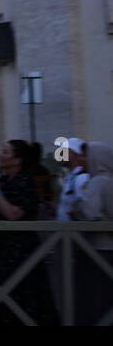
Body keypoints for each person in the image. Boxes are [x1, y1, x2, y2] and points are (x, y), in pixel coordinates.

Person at [0, 140, 58, 325]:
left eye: (6, 152)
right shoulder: (2, 180)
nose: (1, 155)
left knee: (23, 299)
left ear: (17, 160)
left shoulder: (25, 182)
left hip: (18, 251)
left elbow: (13, 214)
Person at [74, 141, 113, 325]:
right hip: (109, 247)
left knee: (92, 295)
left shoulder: (98, 181)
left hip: (96, 247)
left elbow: (90, 213)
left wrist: (79, 206)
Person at [58, 137, 90, 221]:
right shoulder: (71, 177)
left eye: (64, 151)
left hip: (74, 232)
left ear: (75, 154)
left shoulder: (81, 178)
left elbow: (86, 208)